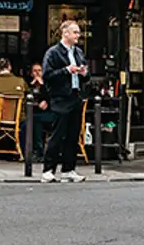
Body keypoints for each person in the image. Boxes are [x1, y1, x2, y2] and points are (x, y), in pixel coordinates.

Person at [40, 20, 88, 183]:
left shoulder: (78, 52)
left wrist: (84, 73)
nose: (78, 35)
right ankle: (48, 170)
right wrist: (66, 70)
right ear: (65, 33)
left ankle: (68, 169)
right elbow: (47, 75)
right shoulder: (53, 53)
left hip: (75, 95)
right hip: (60, 98)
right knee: (57, 135)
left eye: (78, 32)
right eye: (75, 32)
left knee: (73, 135)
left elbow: (87, 75)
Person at [29, 62, 56, 157]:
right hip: (33, 113)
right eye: (35, 71)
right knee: (30, 120)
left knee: (35, 120)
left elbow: (51, 97)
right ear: (31, 73)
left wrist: (42, 84)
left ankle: (38, 150)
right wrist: (32, 85)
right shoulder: (29, 84)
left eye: (39, 70)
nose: (37, 73)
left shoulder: (48, 84)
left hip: (50, 114)